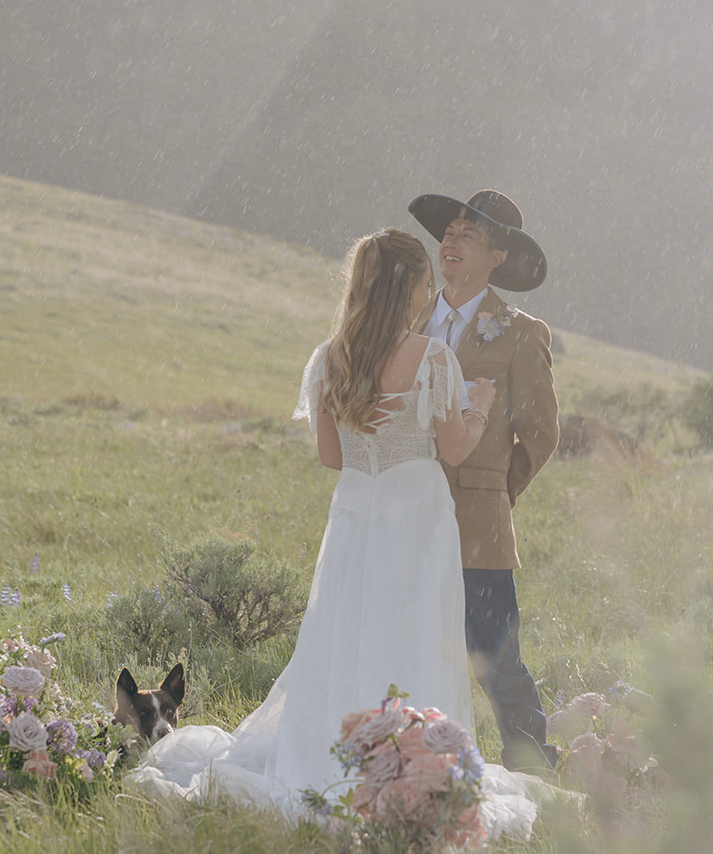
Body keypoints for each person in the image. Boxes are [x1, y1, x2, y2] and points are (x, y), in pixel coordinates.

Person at [127, 228, 499, 815]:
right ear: (408, 287)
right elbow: (454, 448)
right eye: (425, 283)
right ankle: (409, 760)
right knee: (413, 633)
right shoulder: (433, 359)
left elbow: (331, 455)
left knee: (345, 632)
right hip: (417, 519)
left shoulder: (331, 359)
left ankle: (339, 751)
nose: (428, 294)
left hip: (355, 516)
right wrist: (479, 408)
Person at [408, 189, 560, 771]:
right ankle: (403, 755)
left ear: (497, 257)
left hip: (479, 525)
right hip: (405, 512)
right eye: (448, 232)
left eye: (467, 235)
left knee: (494, 655)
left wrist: (494, 490)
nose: (451, 241)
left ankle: (533, 766)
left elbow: (540, 433)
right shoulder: (409, 317)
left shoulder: (520, 332)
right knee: (406, 639)